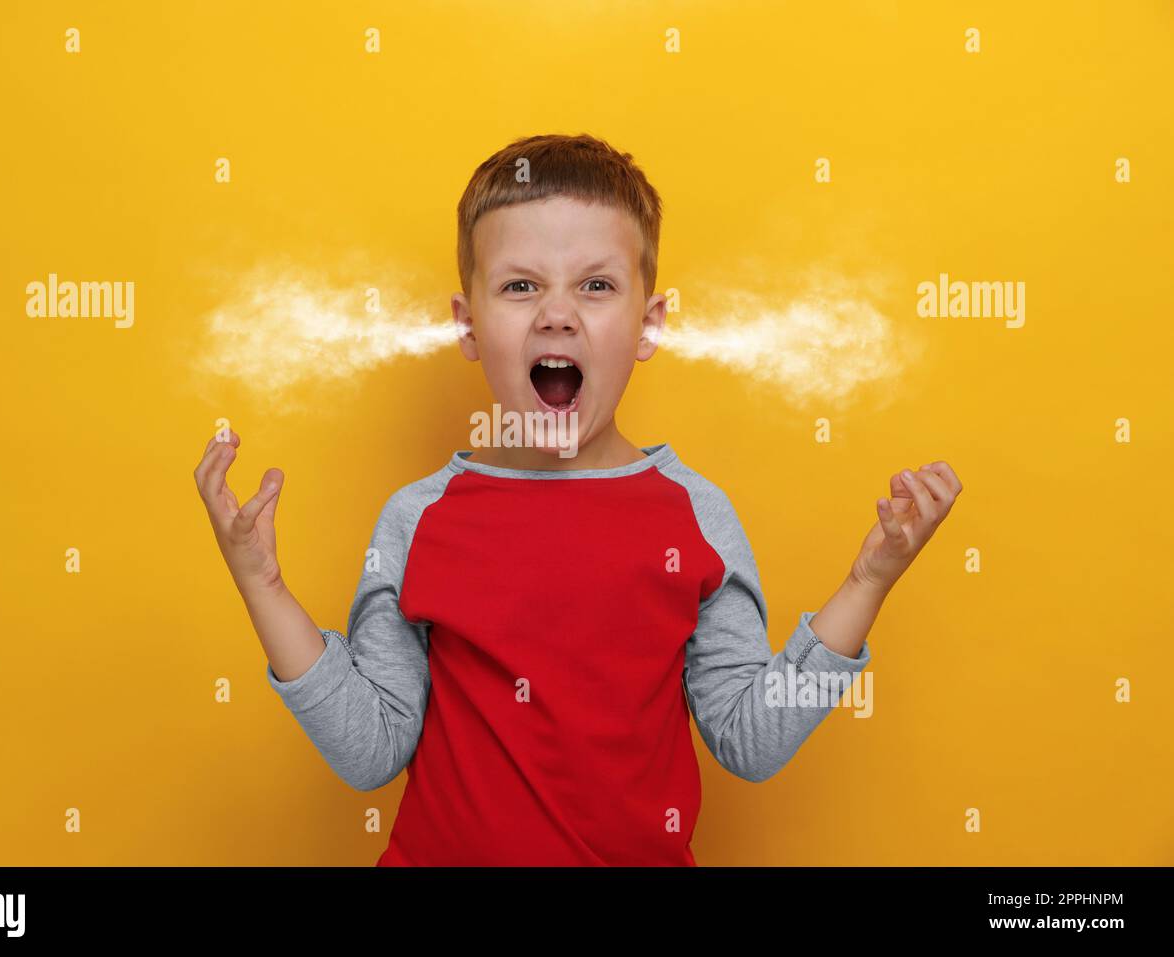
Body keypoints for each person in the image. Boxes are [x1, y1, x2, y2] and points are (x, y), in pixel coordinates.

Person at [192, 132, 962, 865]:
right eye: (521, 286)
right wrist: (262, 585)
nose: (556, 313)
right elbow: (370, 750)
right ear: (468, 324)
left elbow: (749, 738)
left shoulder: (693, 514)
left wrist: (867, 582)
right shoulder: (418, 518)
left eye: (596, 286)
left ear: (648, 324)